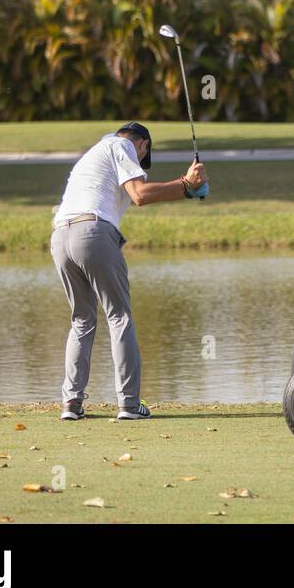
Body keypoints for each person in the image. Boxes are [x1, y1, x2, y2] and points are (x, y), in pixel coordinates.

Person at [50, 123, 208, 421]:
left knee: (82, 319)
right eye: (141, 159)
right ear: (143, 145)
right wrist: (186, 183)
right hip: (93, 233)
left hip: (60, 237)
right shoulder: (121, 146)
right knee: (119, 316)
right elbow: (139, 194)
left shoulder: (93, 154)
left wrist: (185, 189)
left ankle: (71, 404)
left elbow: (132, 195)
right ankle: (129, 404)